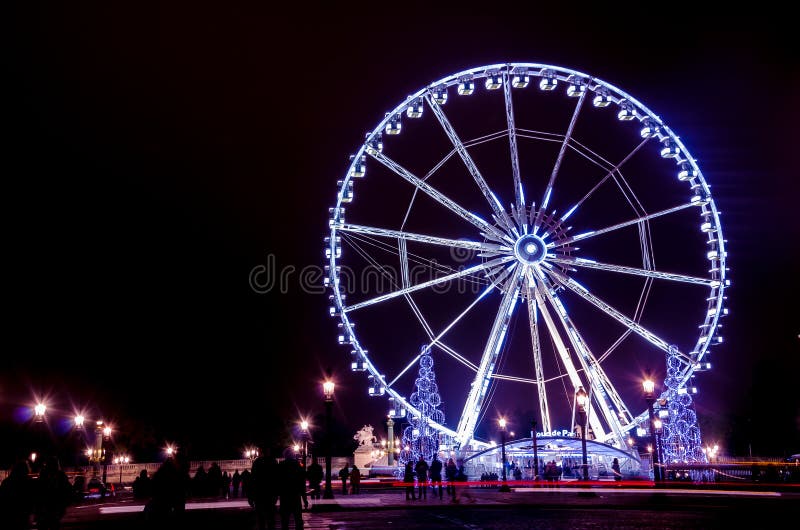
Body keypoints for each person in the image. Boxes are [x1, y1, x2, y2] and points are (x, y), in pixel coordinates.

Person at [33, 456, 73, 530]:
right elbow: (68, 489)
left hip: (46, 507)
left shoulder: (43, 474)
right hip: (55, 507)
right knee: (54, 524)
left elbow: (38, 490)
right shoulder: (60, 475)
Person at [277, 448, 307, 530]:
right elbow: (302, 483)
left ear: (285, 456)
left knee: (285, 521)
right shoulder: (298, 465)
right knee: (298, 521)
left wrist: (276, 496)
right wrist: (305, 499)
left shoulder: (281, 465)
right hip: (295, 496)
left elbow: (277, 482)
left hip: (285, 496)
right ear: (293, 455)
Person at [249, 448, 278, 530]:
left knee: (261, 519)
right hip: (270, 493)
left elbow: (253, 480)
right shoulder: (273, 462)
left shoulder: (257, 462)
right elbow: (276, 479)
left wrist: (251, 496)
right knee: (271, 519)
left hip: (259, 494)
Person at [0, 459, 34, 530]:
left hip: (9, 514)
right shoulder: (27, 483)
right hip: (23, 515)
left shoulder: (6, 482)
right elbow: (30, 499)